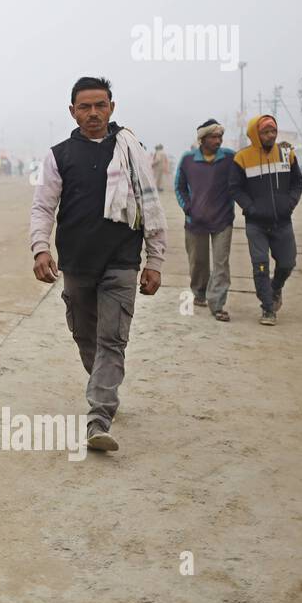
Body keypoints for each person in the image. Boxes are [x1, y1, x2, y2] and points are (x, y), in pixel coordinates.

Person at [29, 76, 167, 453]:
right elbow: (44, 206)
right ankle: (102, 385)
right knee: (84, 335)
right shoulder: (59, 156)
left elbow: (150, 204)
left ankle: (99, 417)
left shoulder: (131, 150)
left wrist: (154, 260)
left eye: (100, 105)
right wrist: (41, 248)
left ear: (112, 107)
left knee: (112, 339)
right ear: (72, 111)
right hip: (76, 264)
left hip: (122, 262)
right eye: (85, 107)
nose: (93, 113)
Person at [228, 114, 302, 326]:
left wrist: (290, 203)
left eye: (273, 131)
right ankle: (268, 309)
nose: (271, 135)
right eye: (265, 132)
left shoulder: (287, 153)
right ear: (256, 134)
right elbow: (234, 188)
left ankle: (276, 287)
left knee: (287, 263)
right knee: (260, 265)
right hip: (256, 224)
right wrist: (250, 208)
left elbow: (297, 181)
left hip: (283, 221)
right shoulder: (242, 158)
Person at [174, 119, 235, 321]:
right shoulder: (188, 160)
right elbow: (179, 187)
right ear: (202, 139)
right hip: (195, 221)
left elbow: (243, 176)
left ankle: (217, 304)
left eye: (220, 137)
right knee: (198, 262)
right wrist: (188, 208)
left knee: (221, 264)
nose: (218, 140)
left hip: (222, 220)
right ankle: (199, 293)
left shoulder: (229, 158)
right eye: (214, 137)